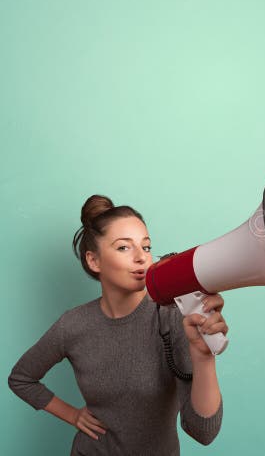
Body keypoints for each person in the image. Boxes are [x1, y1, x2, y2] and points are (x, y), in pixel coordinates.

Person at [8, 194, 228, 455]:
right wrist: (73, 415)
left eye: (146, 247)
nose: (141, 258)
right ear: (94, 261)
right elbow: (21, 378)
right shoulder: (73, 325)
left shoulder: (172, 318)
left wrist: (204, 359)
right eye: (124, 247)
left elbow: (204, 433)